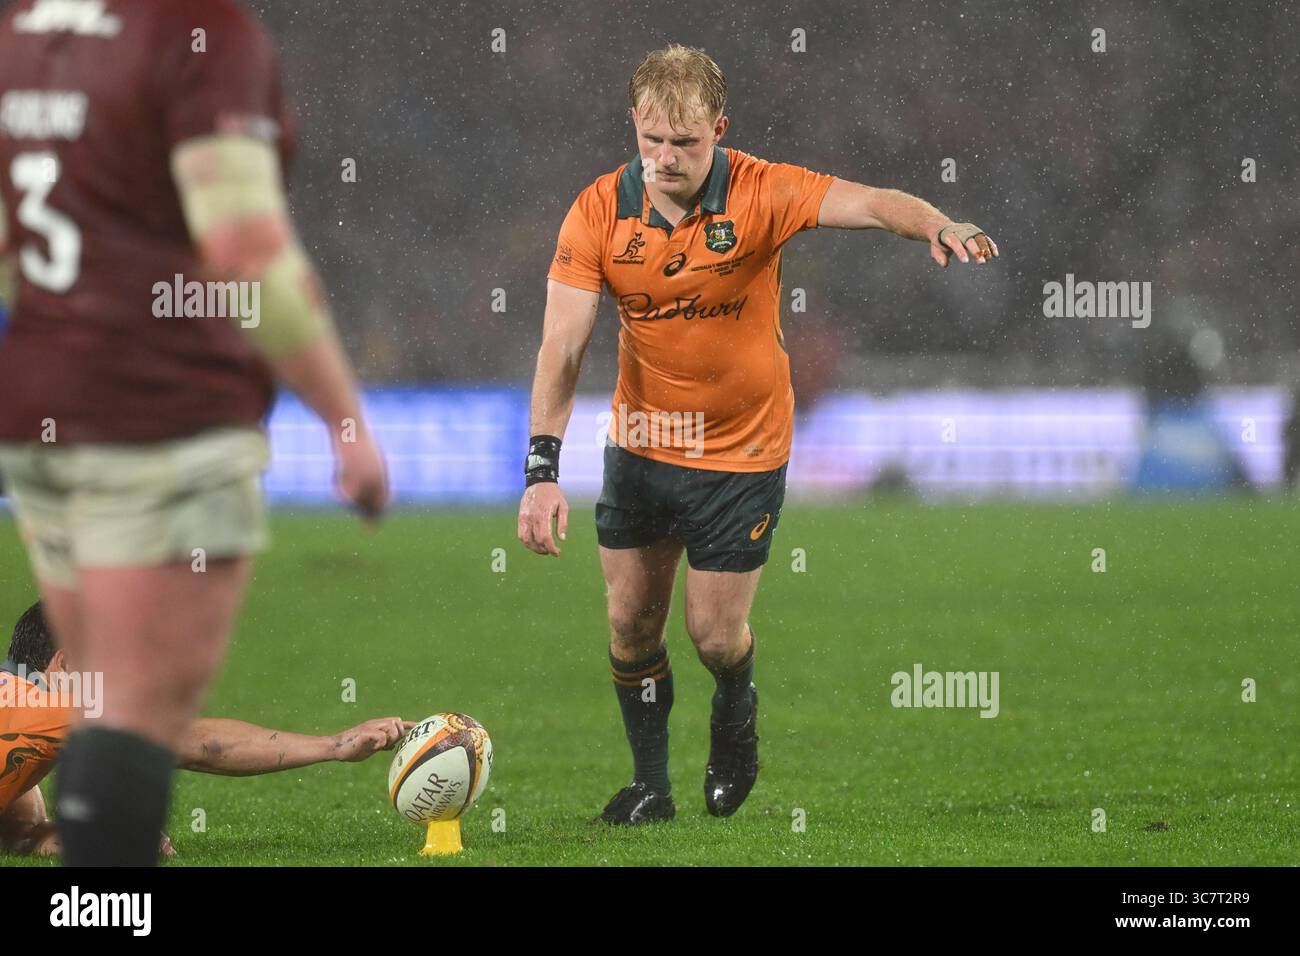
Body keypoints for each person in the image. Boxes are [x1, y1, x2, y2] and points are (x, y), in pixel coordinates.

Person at [517, 43, 997, 825]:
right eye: (653, 141)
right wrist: (541, 470)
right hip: (640, 444)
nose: (667, 159)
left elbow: (872, 202)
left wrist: (938, 223)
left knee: (713, 635)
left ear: (720, 130)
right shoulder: (597, 211)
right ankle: (652, 787)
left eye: (687, 143)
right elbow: (561, 346)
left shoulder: (763, 190)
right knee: (630, 621)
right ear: (634, 125)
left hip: (742, 452)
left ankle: (735, 714)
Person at [0, 0, 389, 865]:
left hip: (41, 414)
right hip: (161, 411)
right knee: (133, 711)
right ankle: (110, 896)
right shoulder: (193, 32)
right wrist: (344, 418)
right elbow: (248, 247)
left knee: (93, 696)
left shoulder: (25, 36)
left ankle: (101, 872)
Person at [0, 602, 412, 858]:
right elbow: (201, 745)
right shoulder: (48, 711)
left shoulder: (24, 727)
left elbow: (22, 834)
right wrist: (335, 745)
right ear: (65, 665)